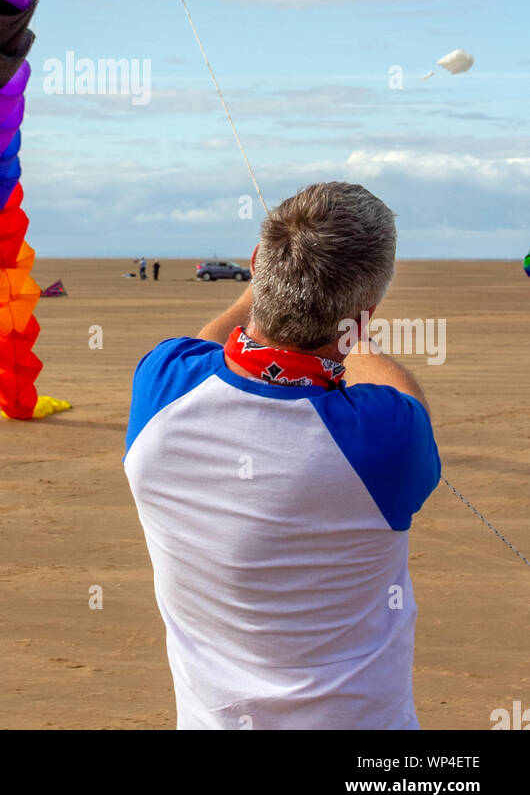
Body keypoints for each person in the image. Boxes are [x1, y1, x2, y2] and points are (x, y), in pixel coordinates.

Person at [124, 181, 440, 731]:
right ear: (364, 316)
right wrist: (346, 329)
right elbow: (407, 404)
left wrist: (266, 295)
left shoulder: (162, 387)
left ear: (256, 263)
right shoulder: (387, 437)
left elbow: (210, 353)